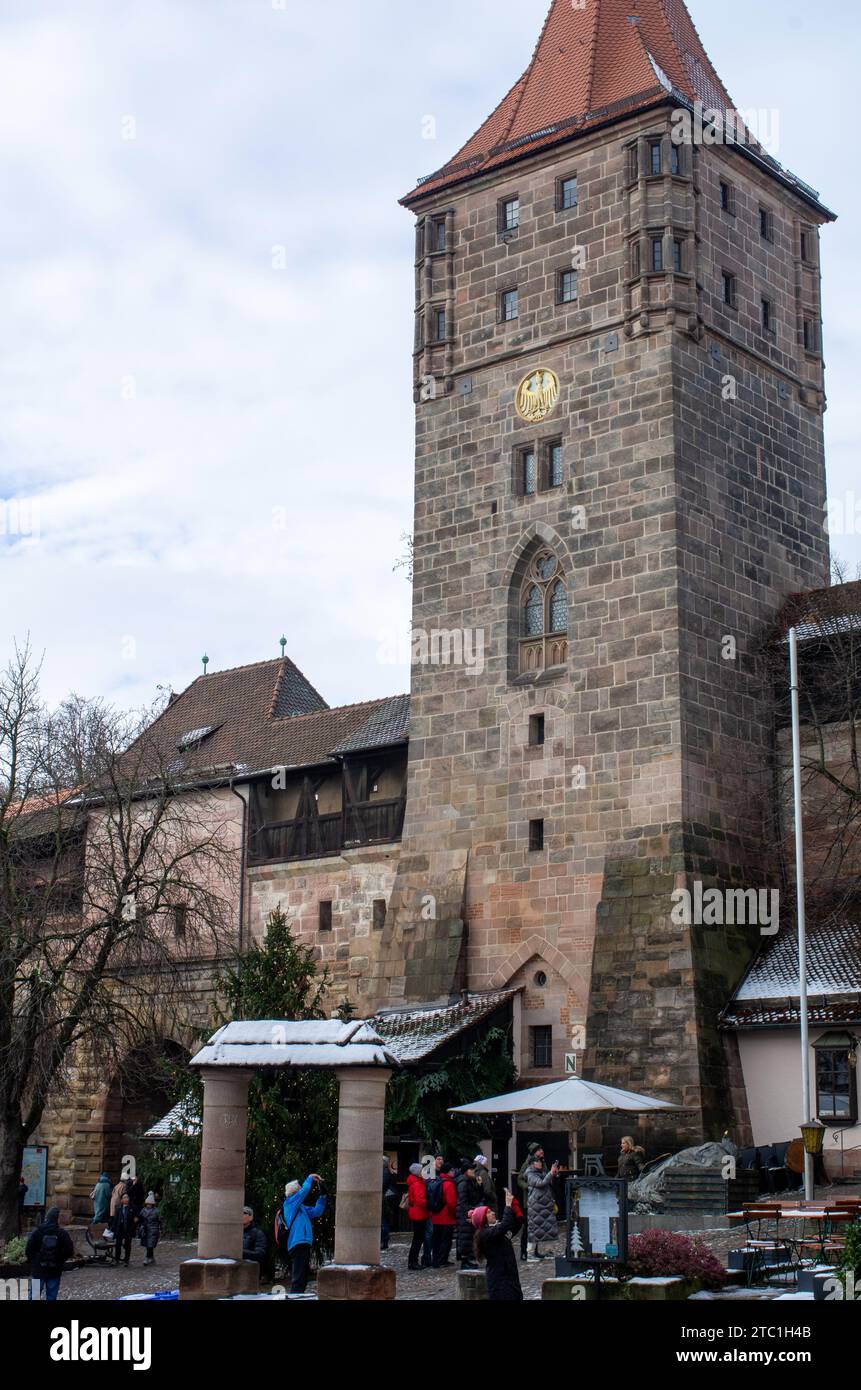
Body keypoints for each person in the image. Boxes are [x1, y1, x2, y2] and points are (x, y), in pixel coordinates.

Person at [472, 1189, 524, 1302]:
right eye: (489, 1212)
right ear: (483, 1219)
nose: (493, 1213)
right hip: (500, 1281)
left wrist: (515, 1208)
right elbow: (505, 1225)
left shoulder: (496, 1230)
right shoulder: (486, 1234)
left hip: (509, 1276)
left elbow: (513, 1226)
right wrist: (508, 1206)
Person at [281, 1174, 326, 1298]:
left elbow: (317, 1211)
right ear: (294, 1191)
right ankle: (294, 1296)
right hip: (297, 1243)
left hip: (303, 1243)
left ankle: (298, 1295)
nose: (301, 1189)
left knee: (303, 1276)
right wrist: (310, 1178)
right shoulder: (289, 1203)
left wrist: (322, 1196)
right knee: (299, 1277)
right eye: (298, 1188)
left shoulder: (300, 1208)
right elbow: (304, 1191)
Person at [26, 1207, 75, 1301]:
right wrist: (61, 1260)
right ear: (57, 1219)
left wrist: (33, 1261)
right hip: (55, 1269)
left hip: (38, 1269)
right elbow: (69, 1250)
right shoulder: (62, 1233)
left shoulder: (37, 1232)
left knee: (34, 1295)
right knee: (52, 1296)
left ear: (46, 1218)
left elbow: (29, 1249)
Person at [526, 1157, 559, 1262]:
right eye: (538, 1162)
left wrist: (553, 1173)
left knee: (549, 1229)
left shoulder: (541, 1172)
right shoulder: (530, 1174)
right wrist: (550, 1173)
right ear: (532, 1164)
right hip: (536, 1207)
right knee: (534, 1231)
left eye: (540, 1161)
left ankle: (549, 1252)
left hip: (546, 1206)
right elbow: (541, 1183)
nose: (540, 1163)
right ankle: (530, 1254)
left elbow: (548, 1182)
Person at [516, 1142, 543, 1261]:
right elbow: (519, 1179)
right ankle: (523, 1252)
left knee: (537, 1226)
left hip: (540, 1199)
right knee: (528, 1227)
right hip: (529, 1200)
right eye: (539, 1150)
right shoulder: (527, 1164)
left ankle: (534, 1251)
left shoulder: (542, 1163)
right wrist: (529, 1186)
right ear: (534, 1152)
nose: (542, 1151)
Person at [455, 1160, 483, 1271]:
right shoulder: (463, 1183)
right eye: (471, 1169)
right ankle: (464, 1261)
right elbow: (463, 1202)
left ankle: (468, 1260)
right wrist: (471, 1211)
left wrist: (480, 1186)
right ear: (466, 1171)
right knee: (465, 1238)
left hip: (470, 1213)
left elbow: (477, 1197)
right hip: (465, 1214)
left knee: (469, 1237)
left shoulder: (470, 1182)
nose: (474, 1171)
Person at [429, 1162, 457, 1268]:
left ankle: (435, 1260)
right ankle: (442, 1260)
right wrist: (455, 1214)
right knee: (446, 1240)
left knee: (436, 1239)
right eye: (451, 1170)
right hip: (446, 1217)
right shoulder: (449, 1184)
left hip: (436, 1215)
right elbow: (452, 1203)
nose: (453, 1172)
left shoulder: (437, 1181)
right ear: (448, 1172)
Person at [406, 1163, 429, 1271]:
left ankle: (413, 1261)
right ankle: (413, 1262)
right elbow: (420, 1200)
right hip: (419, 1213)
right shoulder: (417, 1184)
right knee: (418, 1239)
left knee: (417, 1238)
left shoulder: (416, 1183)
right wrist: (429, 1202)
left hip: (417, 1212)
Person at [113, 1191, 137, 1267]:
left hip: (128, 1229)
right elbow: (115, 1220)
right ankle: (117, 1259)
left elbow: (136, 1219)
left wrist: (133, 1226)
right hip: (120, 1228)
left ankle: (126, 1260)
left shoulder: (132, 1208)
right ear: (121, 1200)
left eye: (127, 1197)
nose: (126, 1199)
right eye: (124, 1197)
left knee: (127, 1245)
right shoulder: (118, 1208)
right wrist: (113, 1229)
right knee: (118, 1244)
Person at [137, 1193, 160, 1266]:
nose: (148, 1205)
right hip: (145, 1229)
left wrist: (161, 1228)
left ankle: (147, 1258)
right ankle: (151, 1257)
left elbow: (160, 1220)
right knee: (148, 1245)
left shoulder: (156, 1211)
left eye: (150, 1204)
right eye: (147, 1204)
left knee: (150, 1244)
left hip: (153, 1229)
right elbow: (139, 1219)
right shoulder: (143, 1210)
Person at [381, 1157, 398, 1251]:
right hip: (389, 1196)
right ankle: (385, 1238)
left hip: (387, 1197)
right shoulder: (388, 1171)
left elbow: (382, 1185)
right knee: (384, 1219)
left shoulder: (385, 1172)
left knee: (383, 1219)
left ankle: (385, 1239)